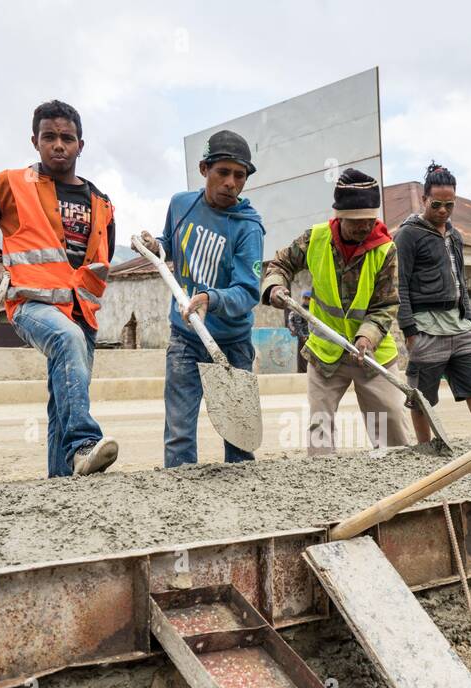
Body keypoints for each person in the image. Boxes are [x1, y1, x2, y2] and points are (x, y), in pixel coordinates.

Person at [0, 99, 119, 478]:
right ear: (35, 141)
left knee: (64, 398)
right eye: (50, 137)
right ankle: (85, 444)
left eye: (67, 138)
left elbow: (101, 257)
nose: (58, 145)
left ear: (80, 145)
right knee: (65, 341)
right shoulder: (11, 184)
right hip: (31, 302)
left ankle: (60, 484)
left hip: (82, 312)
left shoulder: (102, 203)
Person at [135, 130, 265, 468]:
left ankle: (247, 505)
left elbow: (249, 290)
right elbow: (170, 245)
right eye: (223, 172)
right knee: (179, 430)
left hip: (232, 344)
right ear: (203, 168)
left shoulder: (248, 228)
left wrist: (211, 298)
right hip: (185, 336)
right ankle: (181, 494)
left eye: (240, 176)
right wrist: (154, 246)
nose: (231, 183)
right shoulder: (181, 204)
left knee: (239, 435)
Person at [262, 168, 410, 456]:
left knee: (391, 422)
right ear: (339, 215)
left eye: (370, 219)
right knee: (320, 428)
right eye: (356, 221)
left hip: (372, 354)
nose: (364, 227)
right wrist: (276, 287)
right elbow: (280, 264)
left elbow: (385, 305)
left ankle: (398, 477)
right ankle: (321, 481)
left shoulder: (385, 250)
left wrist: (366, 337)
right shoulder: (315, 239)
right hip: (326, 352)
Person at [396, 163, 471, 441]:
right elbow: (401, 285)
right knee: (422, 399)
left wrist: (470, 323)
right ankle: (424, 450)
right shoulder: (408, 234)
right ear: (424, 199)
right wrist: (409, 330)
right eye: (437, 204)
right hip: (426, 328)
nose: (443, 210)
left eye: (449, 205)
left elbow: (461, 281)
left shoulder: (455, 236)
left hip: (459, 328)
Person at [284, 291, 311, 373]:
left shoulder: (312, 309)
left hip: (311, 337)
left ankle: (308, 372)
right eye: (305, 298)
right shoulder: (299, 310)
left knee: (311, 356)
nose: (306, 300)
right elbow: (298, 324)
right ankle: (302, 372)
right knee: (302, 356)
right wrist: (302, 336)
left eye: (308, 298)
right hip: (303, 337)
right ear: (302, 298)